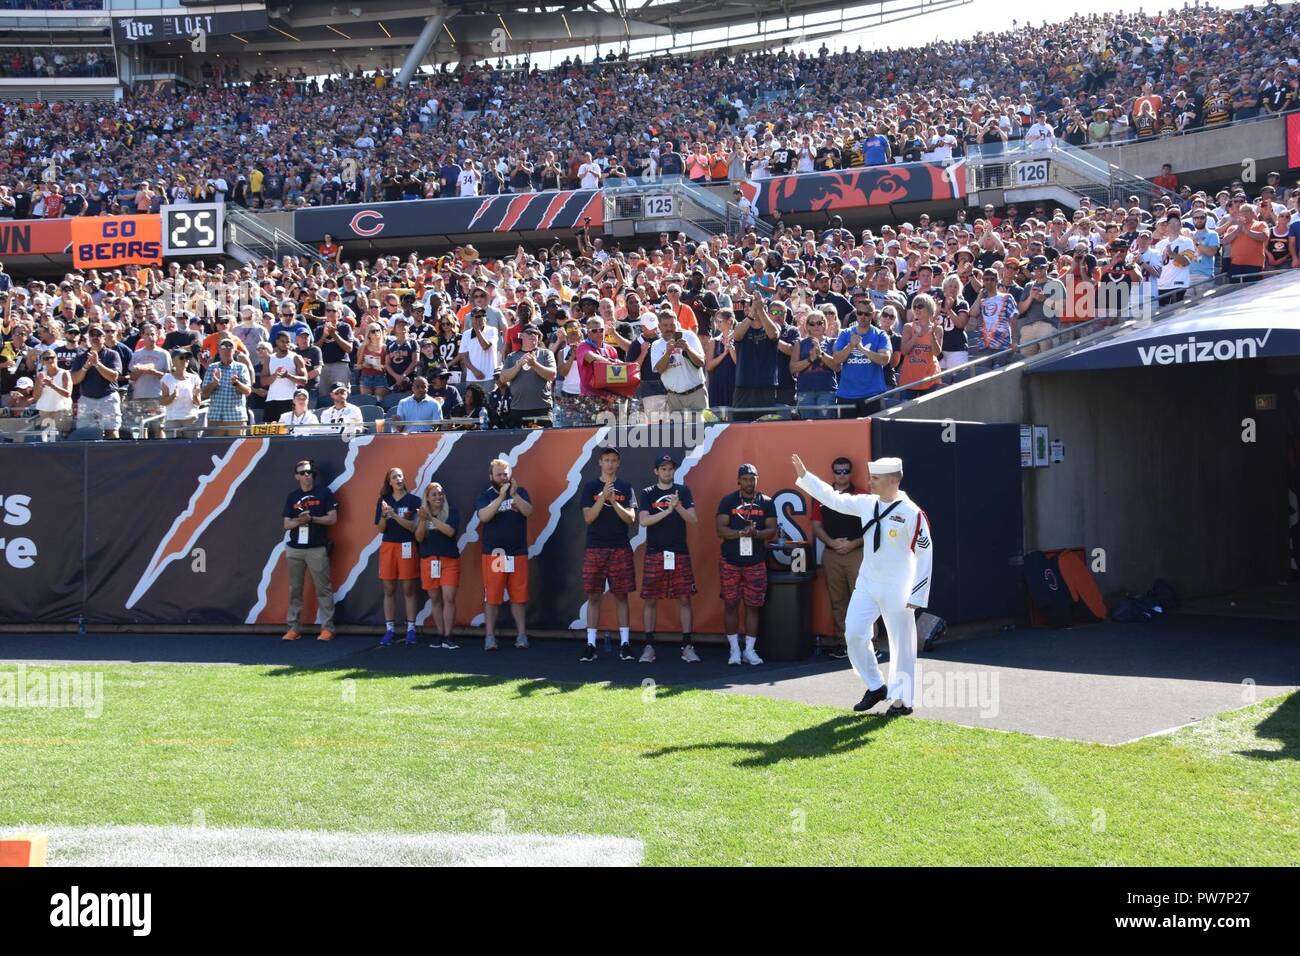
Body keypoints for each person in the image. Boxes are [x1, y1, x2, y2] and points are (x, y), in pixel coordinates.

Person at [793, 453, 933, 716]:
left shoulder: (912, 513)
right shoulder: (867, 504)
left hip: (898, 586)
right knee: (854, 633)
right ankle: (876, 684)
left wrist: (917, 592)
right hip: (868, 582)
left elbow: (926, 553)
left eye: (876, 479)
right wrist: (806, 477)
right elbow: (834, 499)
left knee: (901, 644)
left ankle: (902, 700)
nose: (869, 482)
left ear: (893, 481)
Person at [638, 454, 700, 663]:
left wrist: (679, 507)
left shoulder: (683, 491)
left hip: (679, 552)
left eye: (670, 468)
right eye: (663, 469)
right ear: (656, 471)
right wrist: (668, 510)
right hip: (655, 552)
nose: (667, 472)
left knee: (684, 599)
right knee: (650, 600)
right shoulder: (648, 493)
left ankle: (687, 646)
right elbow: (644, 521)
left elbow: (693, 519)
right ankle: (649, 647)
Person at [578, 447, 638, 662]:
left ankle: (625, 643)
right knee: (593, 596)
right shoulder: (591, 487)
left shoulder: (626, 487)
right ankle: (590, 644)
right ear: (600, 463)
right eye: (606, 460)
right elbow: (589, 518)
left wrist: (614, 501)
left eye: (613, 460)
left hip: (620, 548)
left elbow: (631, 518)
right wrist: (602, 497)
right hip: (595, 548)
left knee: (621, 596)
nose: (610, 464)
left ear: (618, 463)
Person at [715, 463, 777, 665]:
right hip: (730, 561)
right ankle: (734, 650)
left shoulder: (766, 502)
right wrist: (739, 533)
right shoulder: (728, 501)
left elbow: (772, 530)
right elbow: (720, 530)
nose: (749, 483)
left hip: (755, 562)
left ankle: (749, 651)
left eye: (753, 478)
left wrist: (756, 534)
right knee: (731, 605)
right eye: (746, 479)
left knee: (753, 607)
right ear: (738, 481)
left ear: (757, 479)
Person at [809, 457, 870, 661]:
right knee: (838, 602)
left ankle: (870, 645)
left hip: (857, 553)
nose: (842, 475)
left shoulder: (862, 495)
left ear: (851, 473)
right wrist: (833, 543)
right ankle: (844, 645)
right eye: (838, 471)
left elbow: (873, 527)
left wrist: (853, 543)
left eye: (845, 471)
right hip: (832, 553)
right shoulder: (823, 495)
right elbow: (816, 526)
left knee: (863, 601)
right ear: (832, 473)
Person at [476, 459, 533, 650]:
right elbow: (483, 517)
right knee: (492, 597)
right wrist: (500, 498)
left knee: (519, 597)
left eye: (506, 473)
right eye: (499, 474)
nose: (503, 477)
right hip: (495, 554)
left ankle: (522, 636)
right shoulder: (485, 495)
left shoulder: (520, 492)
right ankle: (490, 637)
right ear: (491, 476)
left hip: (517, 552)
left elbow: (528, 511)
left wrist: (514, 495)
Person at [281, 459, 338, 643]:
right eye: (303, 472)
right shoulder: (292, 496)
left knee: (324, 589)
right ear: (296, 476)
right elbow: (286, 524)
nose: (307, 475)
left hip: (317, 548)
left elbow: (332, 519)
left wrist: (312, 519)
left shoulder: (324, 493)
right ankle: (293, 628)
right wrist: (299, 521)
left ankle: (327, 629)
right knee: (295, 590)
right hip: (295, 549)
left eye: (309, 472)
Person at [374, 467, 422, 647]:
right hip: (388, 546)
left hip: (407, 546)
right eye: (394, 477)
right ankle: (390, 629)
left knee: (409, 588)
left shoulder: (414, 500)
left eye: (400, 476)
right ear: (390, 482)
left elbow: (413, 527)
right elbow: (380, 528)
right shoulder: (383, 501)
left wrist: (393, 514)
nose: (398, 479)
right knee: (389, 589)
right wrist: (385, 516)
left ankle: (411, 629)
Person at [414, 480, 461, 650]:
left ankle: (449, 636)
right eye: (434, 494)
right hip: (429, 560)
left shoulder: (452, 512)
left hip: (449, 560)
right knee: (435, 599)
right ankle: (440, 634)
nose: (438, 496)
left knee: (449, 598)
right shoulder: (421, 515)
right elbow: (419, 538)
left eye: (440, 493)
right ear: (427, 497)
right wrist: (422, 521)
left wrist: (431, 519)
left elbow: (450, 532)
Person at [650, 308, 708, 420]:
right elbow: (660, 370)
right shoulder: (657, 345)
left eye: (672, 324)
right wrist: (668, 353)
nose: (669, 328)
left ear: (677, 323)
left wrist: (688, 349)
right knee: (678, 435)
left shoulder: (689, 336)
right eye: (665, 325)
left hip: (696, 393)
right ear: (659, 326)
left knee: (701, 432)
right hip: (674, 397)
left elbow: (701, 362)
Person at [70, 325, 123, 438]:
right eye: (92, 335)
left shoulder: (113, 354)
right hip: (86, 399)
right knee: (84, 433)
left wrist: (97, 364)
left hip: (107, 398)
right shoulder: (81, 357)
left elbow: (113, 377)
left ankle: (115, 455)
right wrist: (86, 366)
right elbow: (74, 380)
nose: (95, 337)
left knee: (112, 430)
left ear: (104, 337)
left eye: (98, 335)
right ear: (88, 338)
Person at [499, 324, 556, 426]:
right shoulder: (512, 356)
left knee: (544, 441)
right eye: (529, 332)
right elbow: (503, 378)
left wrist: (534, 364)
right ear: (521, 336)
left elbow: (552, 375)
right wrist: (518, 366)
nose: (533, 335)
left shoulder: (546, 353)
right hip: (518, 409)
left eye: (536, 333)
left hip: (542, 408)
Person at [201, 339, 252, 437]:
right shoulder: (212, 367)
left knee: (238, 449)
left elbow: (248, 391)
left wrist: (236, 383)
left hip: (236, 418)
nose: (227, 349)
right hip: (215, 418)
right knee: (214, 449)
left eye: (230, 346)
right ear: (218, 350)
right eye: (223, 347)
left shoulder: (241, 367)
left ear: (234, 350)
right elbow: (205, 393)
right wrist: (214, 383)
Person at [262, 330, 308, 424]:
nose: (285, 344)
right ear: (277, 342)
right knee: (272, 433)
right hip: (272, 400)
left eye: (288, 342)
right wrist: (275, 375)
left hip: (290, 400)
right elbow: (263, 381)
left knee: (289, 431)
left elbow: (304, 380)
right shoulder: (269, 359)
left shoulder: (296, 357)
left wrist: (288, 375)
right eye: (283, 341)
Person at [158, 348, 201, 438]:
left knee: (193, 450)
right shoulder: (167, 378)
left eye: (187, 358)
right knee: (173, 450)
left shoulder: (194, 378)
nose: (185, 360)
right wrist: (173, 396)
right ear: (173, 361)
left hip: (191, 419)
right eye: (182, 357)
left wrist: (195, 395)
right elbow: (162, 401)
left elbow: (198, 403)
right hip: (173, 420)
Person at [32, 349, 72, 431]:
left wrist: (52, 385)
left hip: (61, 411)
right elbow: (35, 397)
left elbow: (67, 394)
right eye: (46, 358)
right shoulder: (41, 375)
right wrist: (40, 384)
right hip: (45, 411)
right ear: (43, 361)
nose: (50, 360)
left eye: (52, 357)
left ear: (56, 358)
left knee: (62, 438)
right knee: (46, 439)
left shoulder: (64, 373)